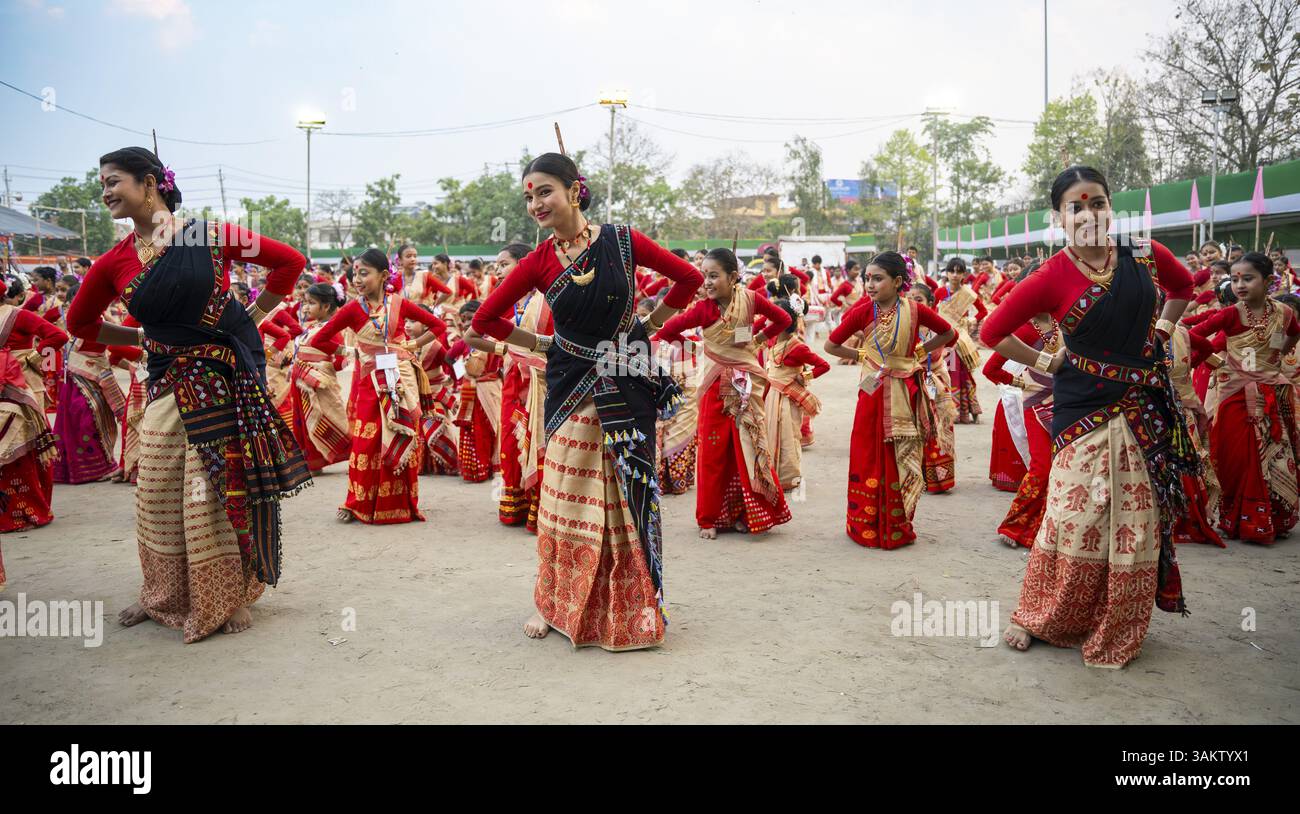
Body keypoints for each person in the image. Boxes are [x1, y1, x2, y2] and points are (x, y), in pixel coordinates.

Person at [66, 146, 312, 642]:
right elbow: (79, 324)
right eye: (102, 184)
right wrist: (137, 339)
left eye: (113, 181)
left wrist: (250, 316)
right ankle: (161, 593)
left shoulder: (209, 235)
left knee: (217, 488)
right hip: (163, 382)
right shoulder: (113, 261)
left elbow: (289, 263)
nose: (106, 192)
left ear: (150, 182)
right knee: (155, 491)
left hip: (220, 380)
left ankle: (231, 594)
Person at [471, 152, 702, 650]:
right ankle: (554, 602)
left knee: (628, 489)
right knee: (567, 492)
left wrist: (652, 322)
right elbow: (484, 322)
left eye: (544, 191)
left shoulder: (623, 241)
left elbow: (689, 279)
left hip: (626, 375)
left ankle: (636, 601)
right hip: (571, 383)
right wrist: (544, 344)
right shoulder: (537, 262)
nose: (535, 203)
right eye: (529, 195)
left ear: (576, 190)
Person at [981, 165, 1196, 668]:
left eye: (1097, 202)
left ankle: (1118, 619)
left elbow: (1184, 286)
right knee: (1075, 517)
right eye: (1076, 206)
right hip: (1084, 408)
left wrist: (1162, 332)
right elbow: (993, 331)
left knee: (1136, 520)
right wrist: (1045, 360)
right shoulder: (1050, 275)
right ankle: (1044, 614)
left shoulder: (1143, 252)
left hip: (1144, 405)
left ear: (1110, 208)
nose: (1089, 214)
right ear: (1058, 217)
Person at [656, 248, 793, 539]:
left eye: (713, 275)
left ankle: (746, 512)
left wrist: (756, 338)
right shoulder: (703, 309)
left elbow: (782, 320)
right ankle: (709, 518)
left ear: (733, 277)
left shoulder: (752, 300)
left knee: (749, 448)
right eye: (704, 275)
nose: (706, 282)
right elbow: (666, 331)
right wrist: (695, 347)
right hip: (714, 387)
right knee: (714, 452)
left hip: (747, 384)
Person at [824, 251, 955, 549]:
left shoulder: (916, 310)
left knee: (900, 457)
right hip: (872, 392)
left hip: (906, 391)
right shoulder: (862, 311)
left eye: (877, 279)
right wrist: (861, 355)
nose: (870, 285)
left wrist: (920, 353)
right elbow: (830, 344)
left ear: (897, 281)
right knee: (868, 455)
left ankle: (897, 524)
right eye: (866, 278)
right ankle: (866, 526)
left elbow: (949, 333)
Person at [309, 248, 447, 524]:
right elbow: (319, 340)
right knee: (367, 441)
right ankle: (357, 502)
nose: (357, 279)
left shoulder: (399, 304)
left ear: (384, 275)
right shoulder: (351, 309)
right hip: (369, 384)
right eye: (355, 274)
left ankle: (400, 504)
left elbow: (437, 325)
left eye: (364, 273)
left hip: (400, 379)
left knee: (404, 431)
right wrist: (350, 352)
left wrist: (411, 345)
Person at [1192, 251, 1300, 544]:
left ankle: (1271, 518)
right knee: (1235, 457)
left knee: (1275, 455)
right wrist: (1213, 360)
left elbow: (1294, 333)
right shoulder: (1230, 313)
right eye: (1236, 279)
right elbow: (1196, 334)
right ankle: (1239, 519)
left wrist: (1278, 355)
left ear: (1268, 281)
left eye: (1248, 278)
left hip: (1270, 394)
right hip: (1235, 396)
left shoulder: (1284, 313)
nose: (1240, 285)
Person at [0, 301, 67, 534]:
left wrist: (32, 359)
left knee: (27, 443)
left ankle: (31, 509)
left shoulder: (18, 316)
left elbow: (58, 336)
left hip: (23, 385)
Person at [762, 297, 828, 491]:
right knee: (770, 433)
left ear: (783, 322)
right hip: (771, 394)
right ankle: (772, 472)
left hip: (787, 398)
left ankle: (788, 477)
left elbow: (823, 365)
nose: (766, 321)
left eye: (770, 318)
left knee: (788, 436)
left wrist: (804, 376)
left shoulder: (797, 346)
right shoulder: (773, 339)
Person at [289, 283, 351, 474]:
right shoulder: (311, 327)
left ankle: (327, 459)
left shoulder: (333, 330)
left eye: (312, 303)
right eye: (305, 302)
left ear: (325, 306)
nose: (306, 307)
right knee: (303, 422)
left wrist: (319, 370)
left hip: (317, 385)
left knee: (327, 419)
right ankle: (311, 462)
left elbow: (341, 361)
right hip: (301, 382)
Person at [908, 283, 958, 494]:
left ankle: (938, 478)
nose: (913, 303)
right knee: (913, 428)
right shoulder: (905, 325)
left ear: (930, 303)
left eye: (918, 299)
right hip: (911, 380)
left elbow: (935, 355)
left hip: (932, 380)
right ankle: (914, 475)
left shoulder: (937, 327)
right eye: (909, 299)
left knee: (934, 427)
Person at [446, 301, 503, 484]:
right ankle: (478, 469)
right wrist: (460, 374)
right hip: (471, 388)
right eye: (463, 320)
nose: (466, 324)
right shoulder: (464, 342)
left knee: (493, 428)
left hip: (491, 388)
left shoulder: (494, 340)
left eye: (470, 318)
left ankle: (493, 466)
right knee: (474, 428)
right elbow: (448, 357)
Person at [935, 257, 987, 424]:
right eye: (952, 271)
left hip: (960, 339)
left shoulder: (969, 294)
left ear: (964, 274)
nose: (955, 275)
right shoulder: (940, 292)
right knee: (945, 371)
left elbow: (982, 311)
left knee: (961, 372)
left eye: (959, 272)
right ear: (947, 273)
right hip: (943, 338)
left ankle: (961, 411)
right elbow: (931, 312)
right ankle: (949, 410)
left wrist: (971, 321)